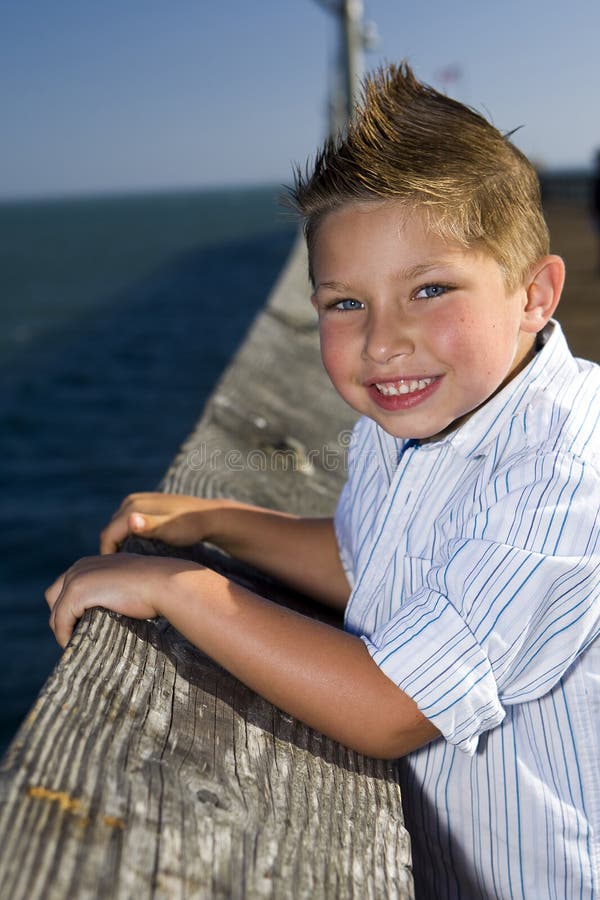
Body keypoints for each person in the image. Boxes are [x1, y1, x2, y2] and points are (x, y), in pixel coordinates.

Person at [46, 63, 599, 898]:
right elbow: (381, 566)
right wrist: (225, 521)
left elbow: (390, 707)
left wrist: (183, 590)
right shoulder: (413, 419)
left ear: (534, 294)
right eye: (345, 304)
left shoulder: (565, 466)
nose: (384, 343)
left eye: (430, 289)